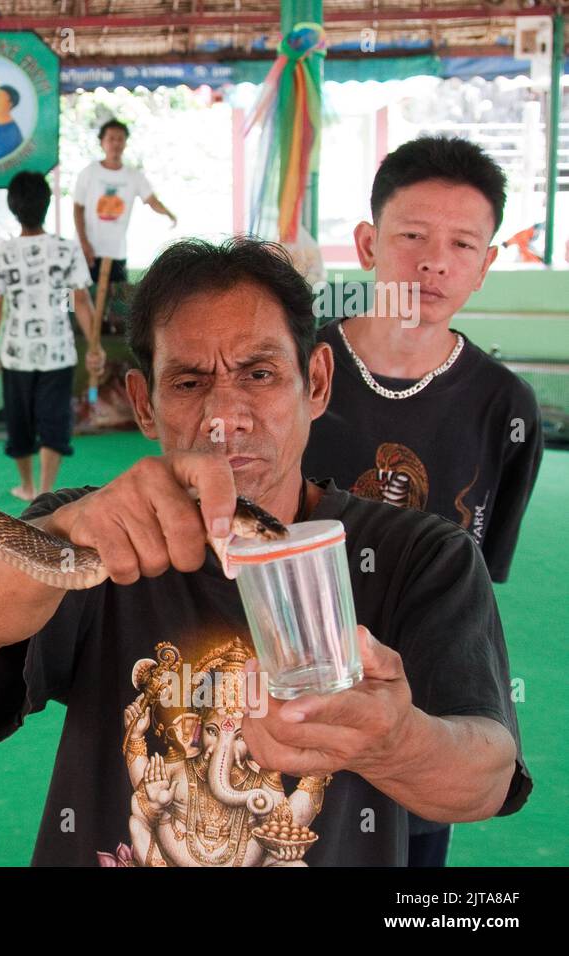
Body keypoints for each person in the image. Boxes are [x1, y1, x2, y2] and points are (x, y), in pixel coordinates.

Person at [0, 236, 530, 867]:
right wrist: (63, 535)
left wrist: (395, 741)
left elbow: (486, 778)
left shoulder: (420, 556)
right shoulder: (94, 531)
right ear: (144, 403)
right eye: (190, 381)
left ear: (317, 382)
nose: (226, 415)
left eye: (259, 374)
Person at [302, 135, 544, 867]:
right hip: (284, 689)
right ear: (370, 242)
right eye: (413, 236)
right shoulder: (288, 367)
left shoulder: (507, 406)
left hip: (423, 714)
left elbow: (476, 576)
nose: (435, 261)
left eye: (462, 244)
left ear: (485, 265)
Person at [0, 171, 104, 501]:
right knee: (54, 419)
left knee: (19, 421)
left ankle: (27, 486)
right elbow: (82, 301)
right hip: (58, 352)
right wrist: (95, 345)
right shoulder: (67, 249)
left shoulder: (0, 253)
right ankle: (47, 491)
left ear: (13, 208)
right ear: (47, 204)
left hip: (16, 353)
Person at [72, 118, 177, 288]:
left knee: (116, 301)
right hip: (87, 250)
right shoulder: (89, 172)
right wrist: (84, 243)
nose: (116, 144)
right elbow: (77, 208)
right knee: (77, 299)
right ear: (102, 142)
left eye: (120, 139)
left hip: (116, 251)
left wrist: (168, 214)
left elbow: (151, 200)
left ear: (125, 143)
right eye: (111, 139)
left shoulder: (133, 176)